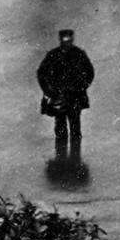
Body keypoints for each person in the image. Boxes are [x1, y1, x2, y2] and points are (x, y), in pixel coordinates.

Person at [37, 29, 94, 161]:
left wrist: (80, 87)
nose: (66, 42)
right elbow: (42, 74)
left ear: (72, 39)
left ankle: (75, 159)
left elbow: (89, 73)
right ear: (60, 39)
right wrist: (49, 90)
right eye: (64, 40)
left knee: (75, 129)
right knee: (60, 128)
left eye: (69, 39)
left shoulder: (79, 54)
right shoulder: (53, 55)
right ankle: (61, 161)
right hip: (59, 98)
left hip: (75, 97)